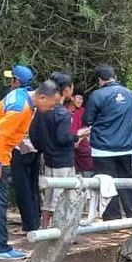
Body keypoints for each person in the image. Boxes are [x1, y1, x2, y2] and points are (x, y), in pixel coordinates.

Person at [0, 74, 43, 260]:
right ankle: (0, 248)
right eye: (52, 104)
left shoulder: (18, 95)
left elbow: (3, 128)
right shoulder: (21, 108)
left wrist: (19, 144)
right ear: (44, 97)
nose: (50, 108)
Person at [84, 65, 132, 219]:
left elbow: (88, 119)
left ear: (99, 80)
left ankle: (112, 218)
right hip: (127, 147)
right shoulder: (131, 95)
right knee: (127, 183)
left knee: (106, 184)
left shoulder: (97, 95)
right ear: (114, 76)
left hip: (103, 147)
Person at [31, 72, 77, 228]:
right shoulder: (62, 113)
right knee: (61, 196)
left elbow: (33, 134)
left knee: (49, 196)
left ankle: (45, 228)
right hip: (63, 160)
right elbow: (63, 138)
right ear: (66, 90)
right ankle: (59, 230)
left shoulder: (40, 110)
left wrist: (43, 149)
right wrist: (77, 136)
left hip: (48, 159)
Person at [7, 65, 41, 232]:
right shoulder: (35, 98)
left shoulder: (16, 98)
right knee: (33, 185)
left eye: (12, 79)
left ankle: (29, 224)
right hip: (35, 147)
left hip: (20, 147)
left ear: (16, 81)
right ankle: (36, 220)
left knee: (22, 187)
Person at [69, 92, 92, 176]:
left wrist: (78, 140)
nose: (81, 101)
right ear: (72, 98)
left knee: (87, 168)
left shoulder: (83, 111)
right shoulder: (64, 110)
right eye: (79, 98)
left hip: (81, 145)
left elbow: (87, 128)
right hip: (68, 145)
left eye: (82, 99)